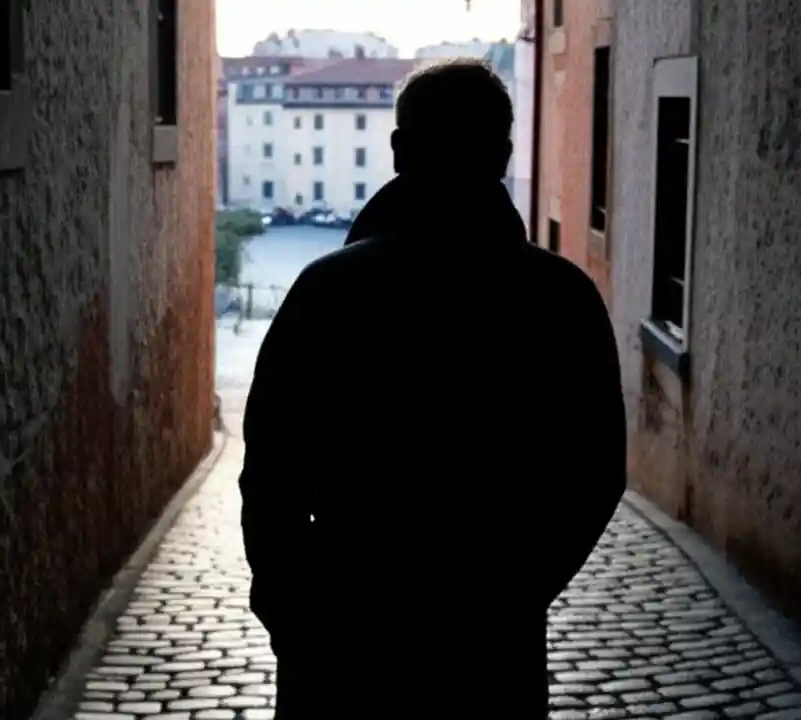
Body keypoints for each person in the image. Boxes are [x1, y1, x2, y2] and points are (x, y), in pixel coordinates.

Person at [239, 60, 626, 717]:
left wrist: (293, 612)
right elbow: (595, 475)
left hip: (343, 644)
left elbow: (272, 475)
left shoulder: (327, 291)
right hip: (490, 655)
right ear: (503, 154)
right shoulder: (561, 298)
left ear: (398, 150)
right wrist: (517, 592)